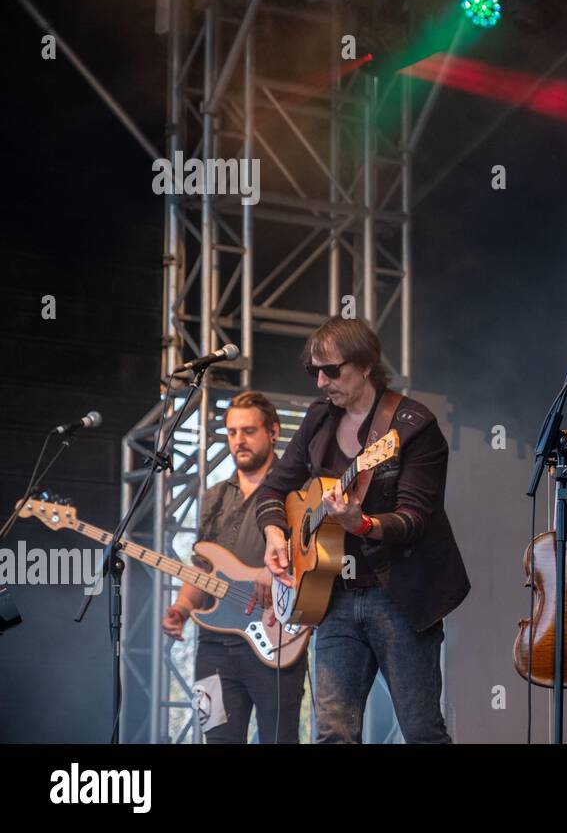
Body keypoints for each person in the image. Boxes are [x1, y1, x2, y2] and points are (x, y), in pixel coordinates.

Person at [257, 316, 470, 742]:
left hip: (400, 595)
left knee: (421, 729)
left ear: (366, 366)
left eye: (331, 371)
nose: (321, 382)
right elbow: (274, 488)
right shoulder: (319, 419)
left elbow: (414, 520)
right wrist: (276, 534)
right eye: (314, 371)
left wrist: (362, 523)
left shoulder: (412, 426)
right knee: (332, 734)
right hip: (333, 595)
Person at [162, 391, 306, 743]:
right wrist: (181, 608)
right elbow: (202, 568)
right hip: (211, 647)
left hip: (274, 641)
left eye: (248, 431)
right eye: (231, 432)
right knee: (215, 738)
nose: (238, 440)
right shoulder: (213, 497)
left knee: (279, 739)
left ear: (273, 431)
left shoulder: (296, 492)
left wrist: (274, 578)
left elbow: (314, 558)